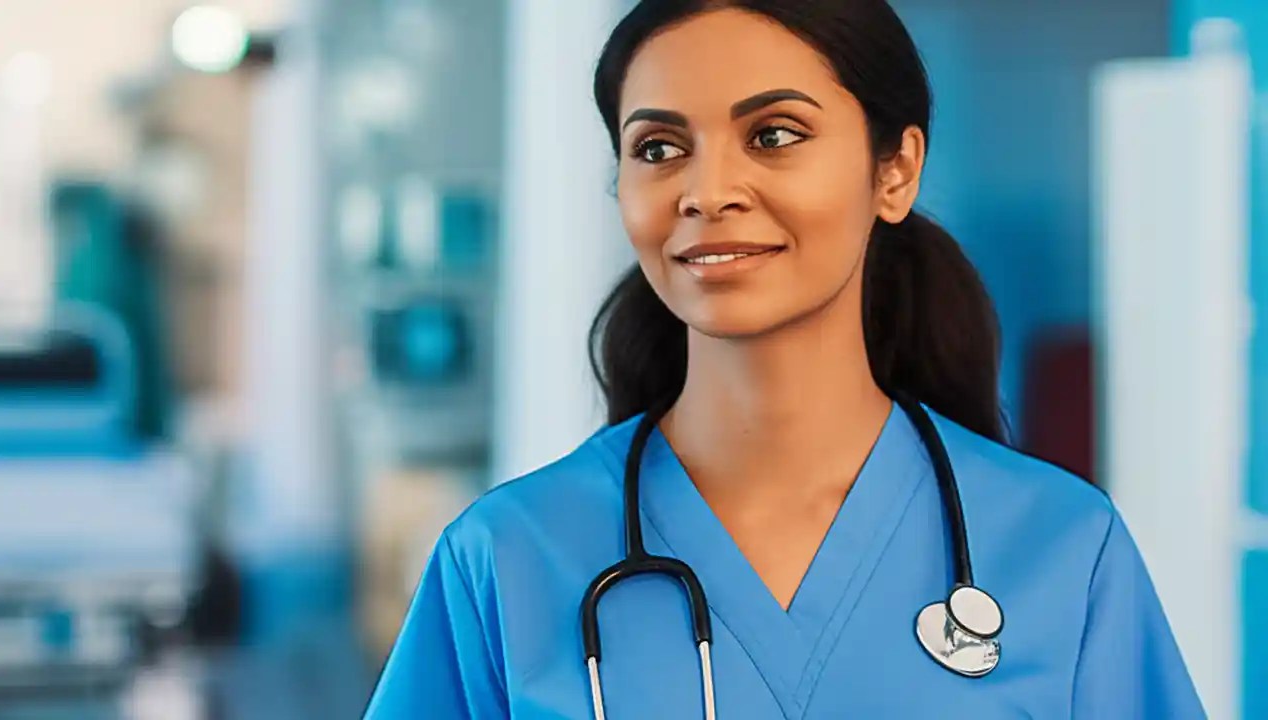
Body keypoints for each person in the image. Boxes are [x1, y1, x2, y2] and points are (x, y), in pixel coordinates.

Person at [363, 1, 1205, 717]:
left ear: (896, 171)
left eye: (773, 134)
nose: (707, 191)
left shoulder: (1060, 547)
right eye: (658, 148)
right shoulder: (508, 557)